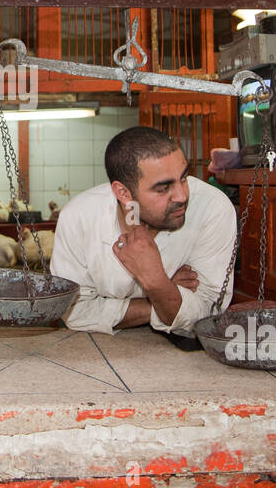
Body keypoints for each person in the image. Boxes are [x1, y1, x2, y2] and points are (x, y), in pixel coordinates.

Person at [49, 126, 238, 337]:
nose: (181, 196)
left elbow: (209, 312)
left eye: (183, 178)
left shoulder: (212, 208)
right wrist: (162, 292)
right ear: (123, 192)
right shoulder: (79, 218)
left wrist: (156, 285)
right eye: (163, 188)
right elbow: (74, 311)